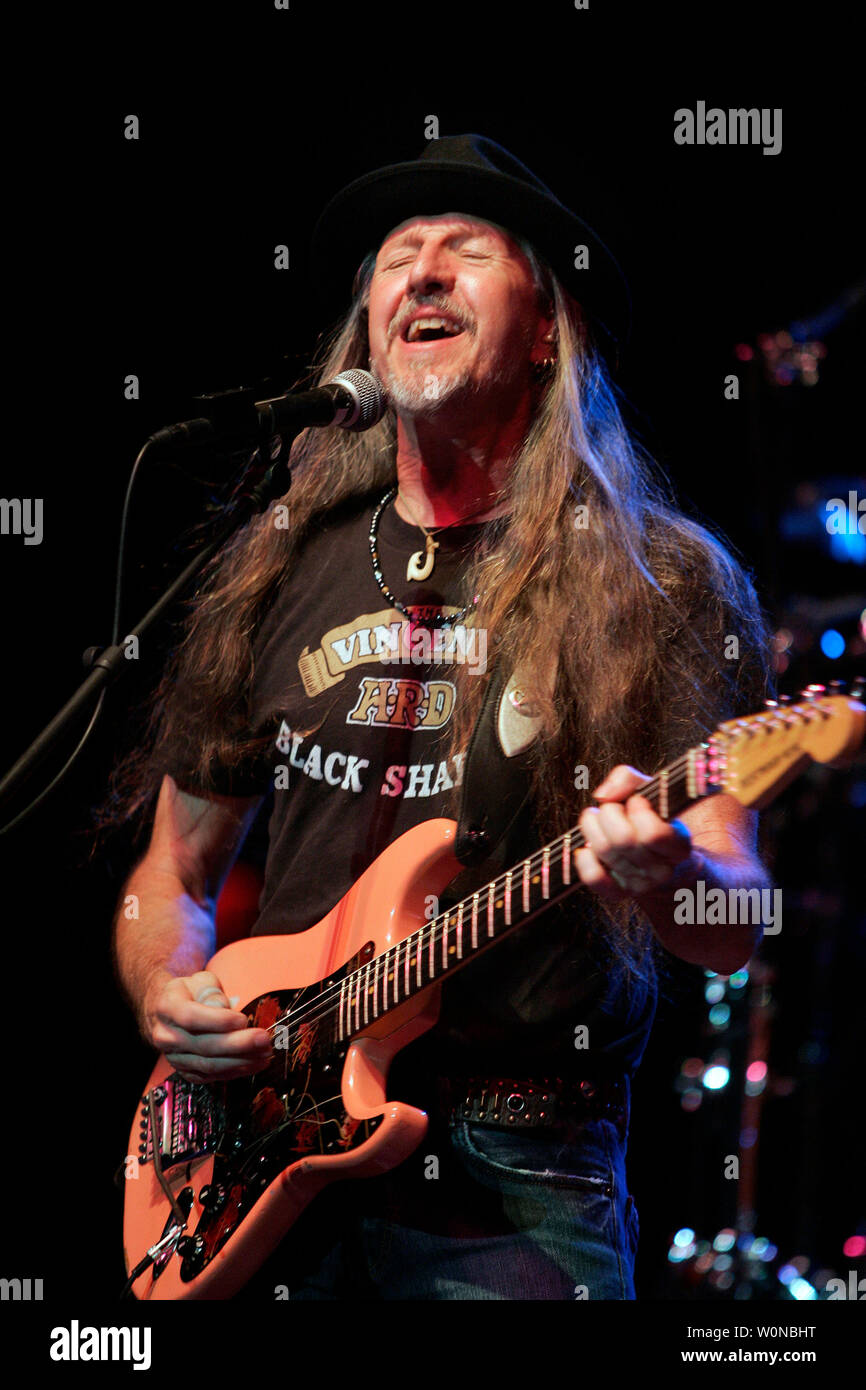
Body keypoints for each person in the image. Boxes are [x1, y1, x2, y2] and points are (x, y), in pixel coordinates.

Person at [109, 135, 773, 1301]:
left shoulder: (655, 580)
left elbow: (736, 916)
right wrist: (171, 985)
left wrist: (663, 873)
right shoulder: (272, 565)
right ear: (365, 329)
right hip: (266, 1139)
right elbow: (172, 868)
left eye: (465, 250)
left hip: (519, 1166)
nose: (419, 272)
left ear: (548, 327)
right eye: (394, 258)